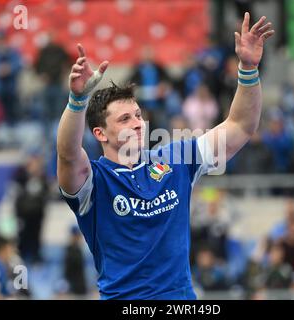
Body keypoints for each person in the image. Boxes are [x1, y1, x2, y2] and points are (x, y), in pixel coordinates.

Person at [57, 12, 274, 300]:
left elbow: (241, 126)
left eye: (137, 115)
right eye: (124, 119)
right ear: (100, 134)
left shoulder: (176, 158)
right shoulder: (94, 181)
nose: (136, 123)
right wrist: (77, 101)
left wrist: (247, 68)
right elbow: (68, 154)